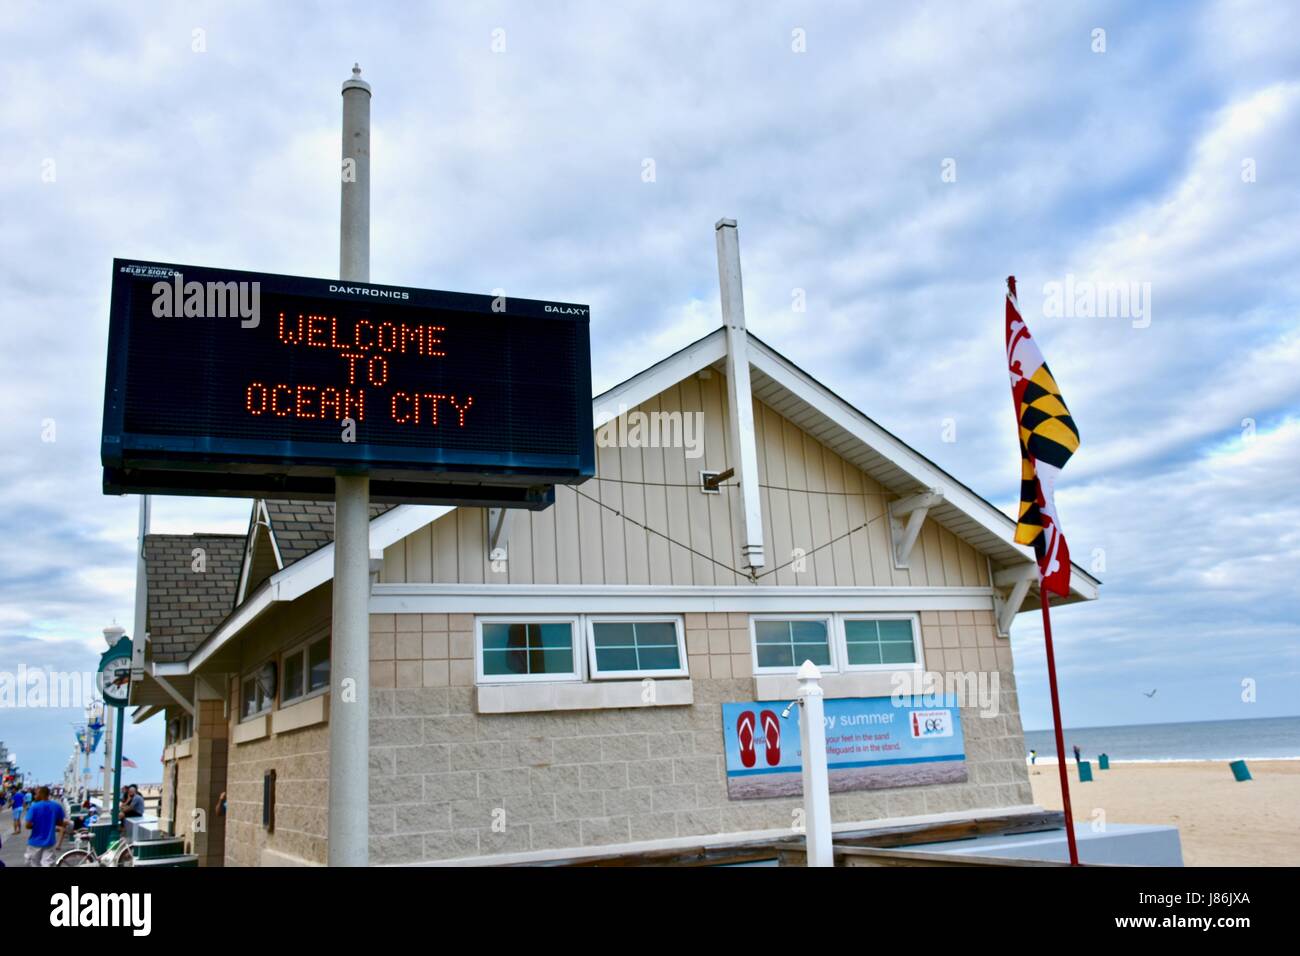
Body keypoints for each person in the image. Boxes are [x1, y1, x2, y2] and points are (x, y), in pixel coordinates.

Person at [24, 786, 66, 867]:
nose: (35, 796)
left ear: (41, 794)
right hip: (49, 841)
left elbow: (27, 825)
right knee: (47, 863)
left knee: (34, 863)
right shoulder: (56, 806)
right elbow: (61, 823)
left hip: (35, 842)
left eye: (36, 794)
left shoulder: (34, 807)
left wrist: (37, 825)